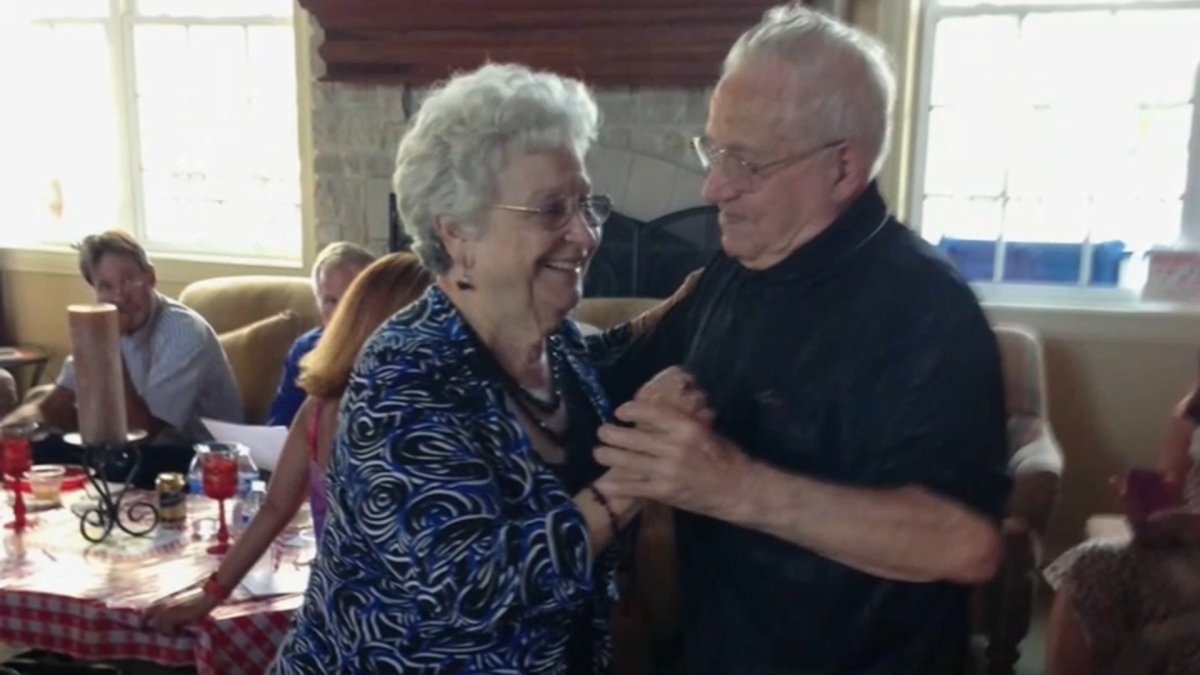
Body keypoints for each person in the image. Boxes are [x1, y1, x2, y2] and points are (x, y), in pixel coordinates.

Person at [591, 5, 1010, 674]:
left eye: (746, 162)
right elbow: (614, 369)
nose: (713, 185)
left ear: (843, 168)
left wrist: (731, 485)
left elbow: (964, 543)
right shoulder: (736, 265)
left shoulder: (926, 306)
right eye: (714, 148)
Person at [271, 63, 692, 674]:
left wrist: (682, 308)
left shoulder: (555, 341)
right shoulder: (404, 376)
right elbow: (474, 591)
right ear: (459, 233)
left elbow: (593, 367)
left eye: (587, 205)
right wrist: (633, 480)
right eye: (552, 211)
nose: (585, 235)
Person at [142, 252, 432, 634]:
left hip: (333, 614)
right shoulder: (427, 419)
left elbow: (276, 506)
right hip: (402, 624)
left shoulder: (319, 407)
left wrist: (213, 591)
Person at [2, 230, 242, 442]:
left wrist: (110, 347)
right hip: (138, 456)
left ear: (150, 277)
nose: (119, 296)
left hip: (201, 461)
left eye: (128, 280)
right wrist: (13, 428)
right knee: (41, 441)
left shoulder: (184, 332)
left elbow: (142, 433)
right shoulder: (99, 327)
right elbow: (52, 406)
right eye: (105, 286)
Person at [1045, 381, 1200, 675]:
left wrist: (1193, 525)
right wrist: (1146, 517)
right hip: (1184, 555)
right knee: (1090, 564)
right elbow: (1171, 497)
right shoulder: (1192, 410)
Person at [266, 242, 376, 427]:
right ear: (318, 303)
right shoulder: (306, 349)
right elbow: (281, 424)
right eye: (331, 301)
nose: (343, 312)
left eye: (352, 299)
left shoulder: (390, 349)